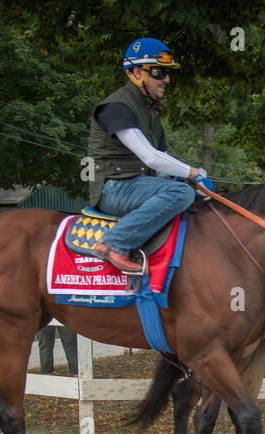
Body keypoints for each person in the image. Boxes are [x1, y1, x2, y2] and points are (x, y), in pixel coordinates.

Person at [87, 37, 215, 274]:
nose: (167, 79)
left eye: (167, 73)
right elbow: (150, 157)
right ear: (137, 72)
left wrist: (180, 177)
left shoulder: (151, 114)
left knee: (186, 192)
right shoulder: (116, 106)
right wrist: (194, 174)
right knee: (181, 194)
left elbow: (160, 166)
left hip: (138, 184)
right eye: (160, 72)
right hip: (113, 187)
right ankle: (114, 244)